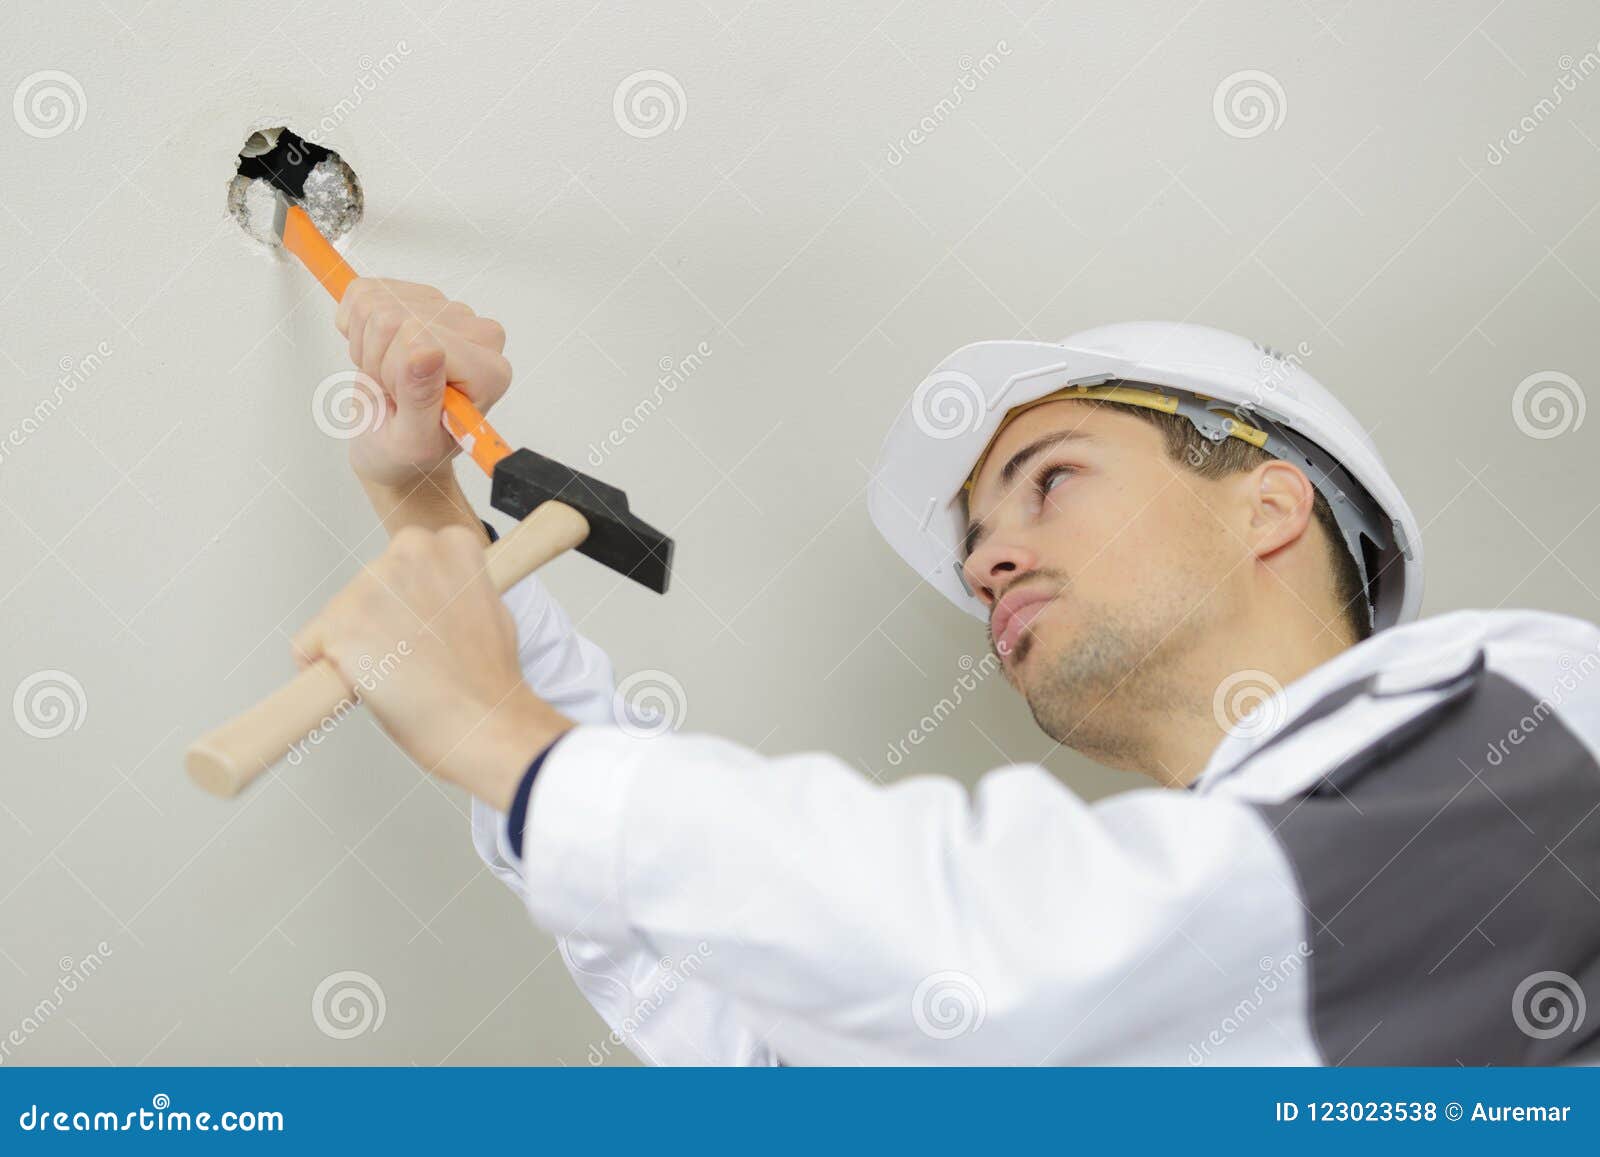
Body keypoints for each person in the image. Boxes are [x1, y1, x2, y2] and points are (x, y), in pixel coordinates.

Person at [293, 278, 1600, 1065]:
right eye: (978, 540)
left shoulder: (1530, 702)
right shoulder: (1177, 989)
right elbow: (768, 1033)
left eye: (1051, 481)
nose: (989, 564)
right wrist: (431, 518)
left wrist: (522, 745)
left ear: (1271, 504)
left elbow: (1020, 960)